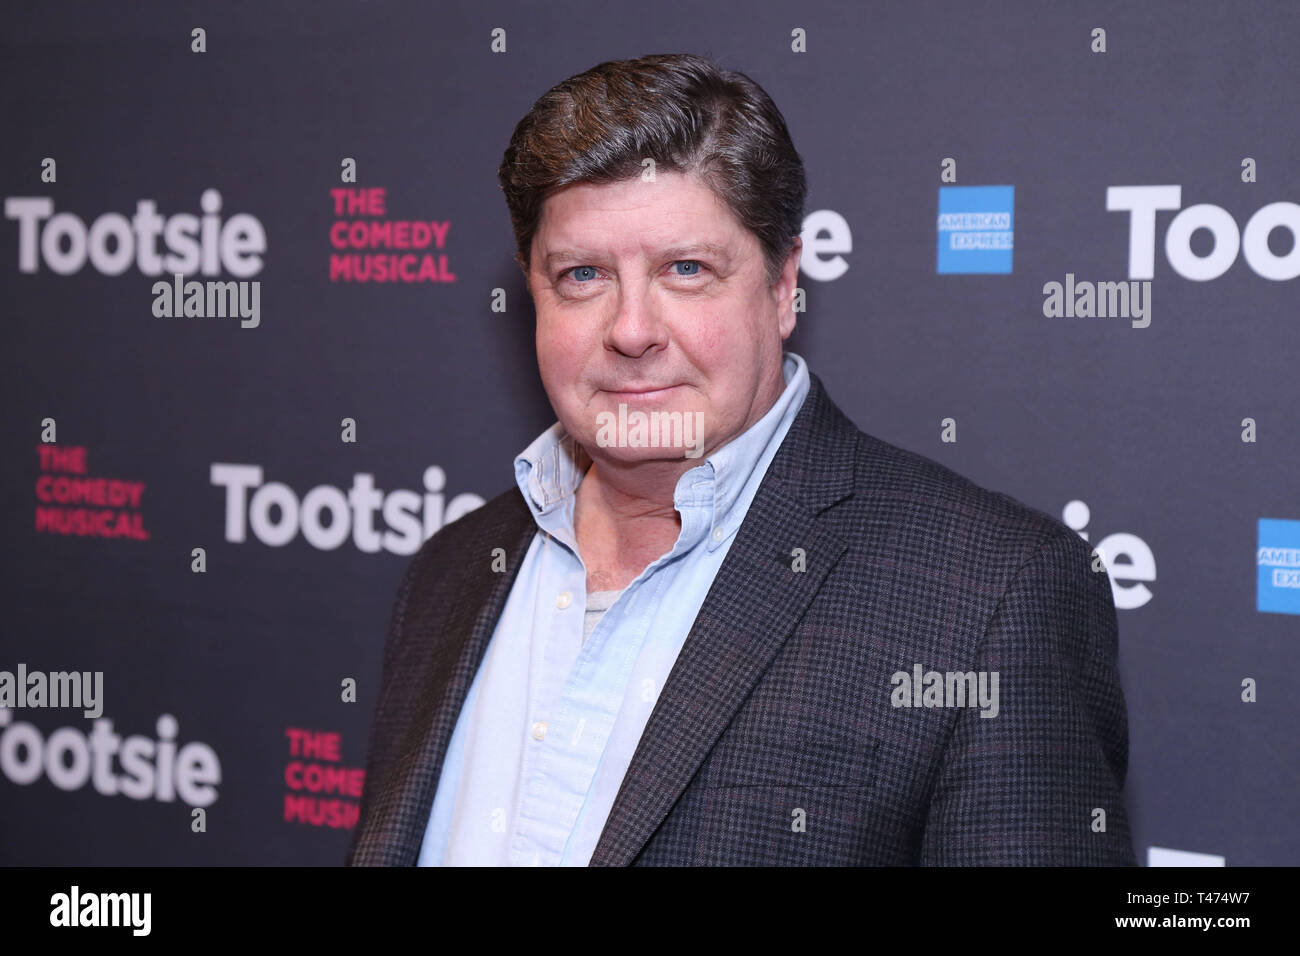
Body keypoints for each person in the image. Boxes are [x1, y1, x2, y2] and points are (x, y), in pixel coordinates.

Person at [347, 52, 1135, 866]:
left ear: (784, 284)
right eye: (582, 275)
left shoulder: (993, 595)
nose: (631, 330)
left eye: (686, 270)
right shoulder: (451, 571)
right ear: (533, 291)